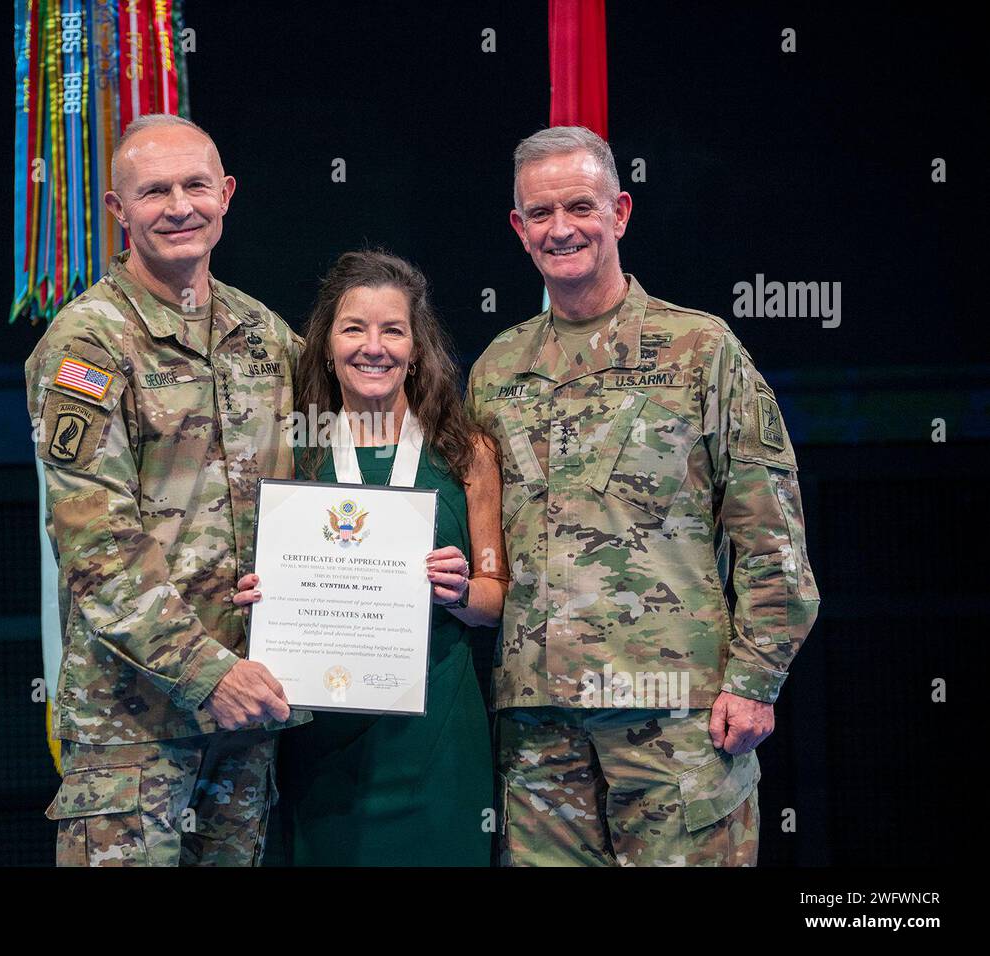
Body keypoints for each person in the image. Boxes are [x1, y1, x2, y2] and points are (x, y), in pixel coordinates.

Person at [468, 126, 821, 866]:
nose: (561, 228)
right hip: (540, 724)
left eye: (580, 206)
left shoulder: (701, 349)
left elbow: (770, 529)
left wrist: (758, 679)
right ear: (518, 228)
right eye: (540, 213)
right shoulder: (496, 368)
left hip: (677, 712)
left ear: (620, 212)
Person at [26, 114, 308, 867]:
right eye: (154, 191)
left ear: (228, 195)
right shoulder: (86, 343)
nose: (179, 206)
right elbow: (95, 547)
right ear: (119, 211)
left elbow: (350, 465)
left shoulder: (264, 334)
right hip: (135, 724)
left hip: (249, 712)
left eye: (195, 185)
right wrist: (205, 673)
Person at [236, 250, 508, 866]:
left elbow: (496, 597)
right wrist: (260, 596)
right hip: (324, 739)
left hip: (436, 732)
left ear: (417, 347)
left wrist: (462, 592)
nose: (373, 347)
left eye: (393, 330)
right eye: (354, 328)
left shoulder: (468, 451)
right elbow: (258, 578)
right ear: (326, 344)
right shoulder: (290, 452)